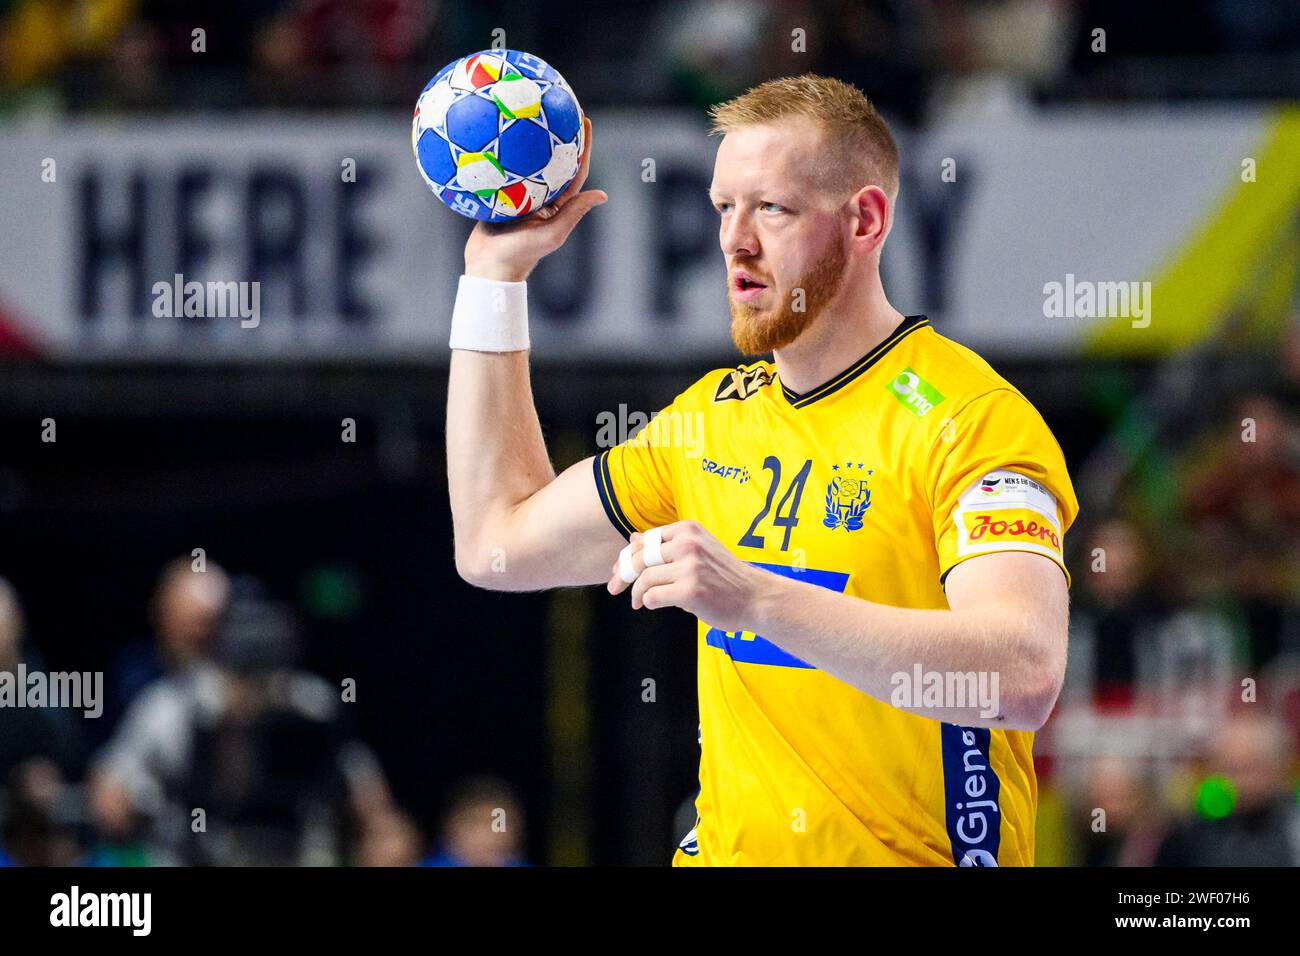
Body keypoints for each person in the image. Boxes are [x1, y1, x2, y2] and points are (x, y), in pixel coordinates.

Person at [445, 74, 1077, 866]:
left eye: (771, 208)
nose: (734, 241)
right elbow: (494, 544)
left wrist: (753, 598)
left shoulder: (968, 417)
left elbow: (1020, 675)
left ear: (866, 220)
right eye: (722, 207)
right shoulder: (711, 420)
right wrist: (492, 284)